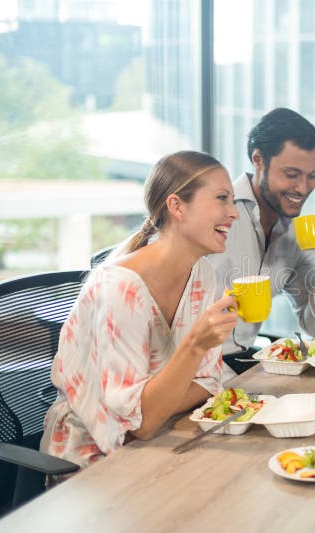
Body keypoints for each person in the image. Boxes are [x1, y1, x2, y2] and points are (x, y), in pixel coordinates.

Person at [41, 151, 240, 467]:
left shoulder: (202, 274)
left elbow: (208, 381)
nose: (235, 213)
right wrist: (194, 347)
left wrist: (157, 403)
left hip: (167, 431)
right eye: (222, 198)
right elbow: (141, 425)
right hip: (92, 455)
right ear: (177, 206)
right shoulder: (120, 288)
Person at [209, 108, 315, 371]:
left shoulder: (297, 235)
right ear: (258, 160)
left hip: (243, 365)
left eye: (312, 175)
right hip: (193, 369)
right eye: (292, 174)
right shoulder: (213, 211)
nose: (304, 188)